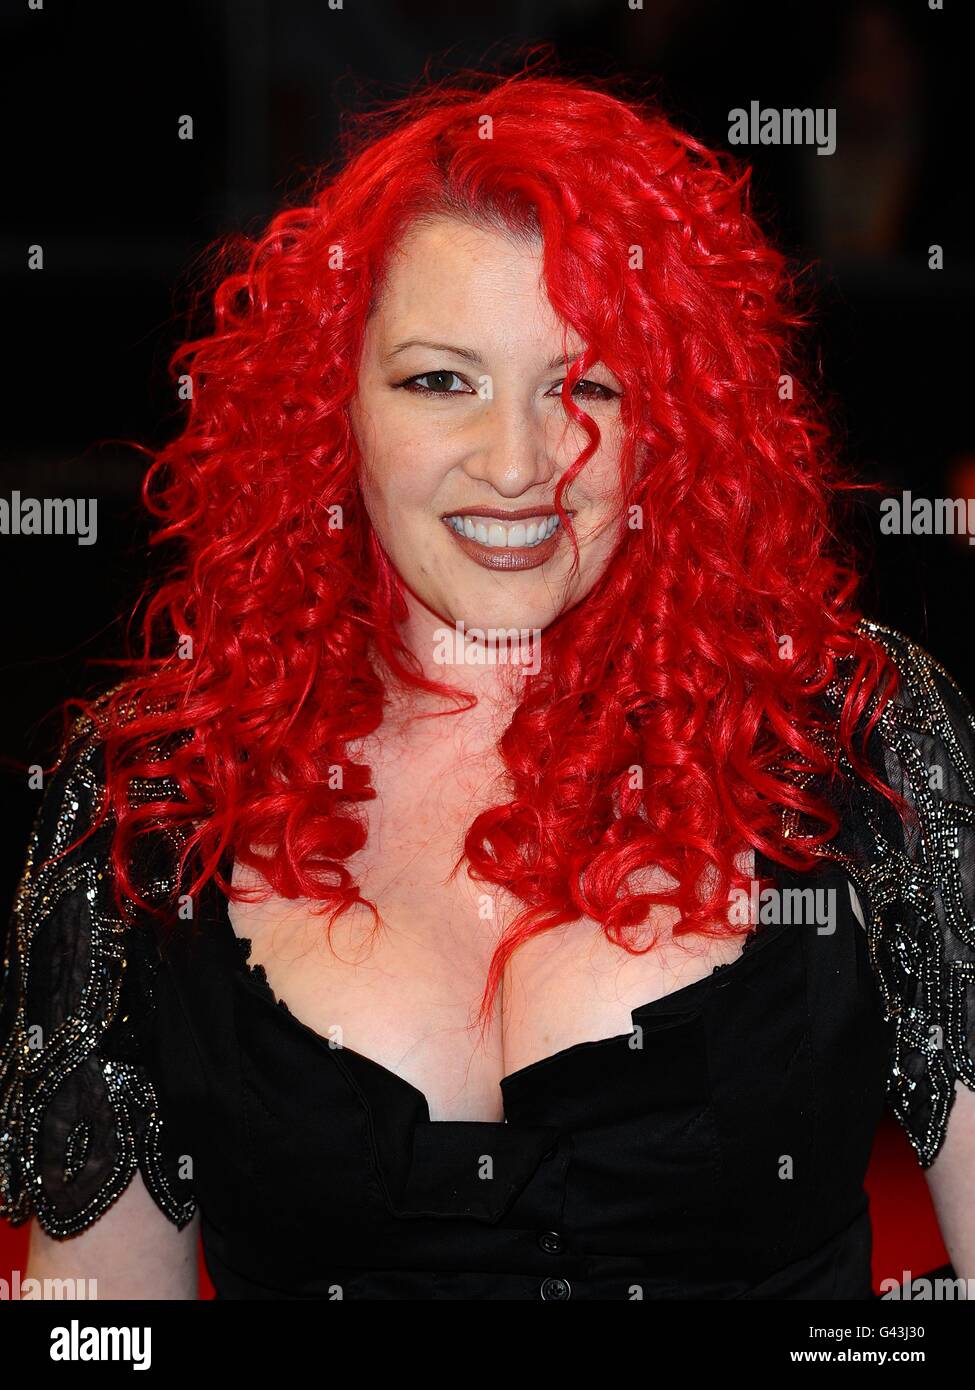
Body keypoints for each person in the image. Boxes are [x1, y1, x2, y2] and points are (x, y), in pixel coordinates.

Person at [2, 63, 974, 1301]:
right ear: (329, 408)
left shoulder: (856, 733)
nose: (518, 465)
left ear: (670, 428)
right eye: (439, 380)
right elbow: (94, 1329)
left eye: (587, 386)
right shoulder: (156, 790)